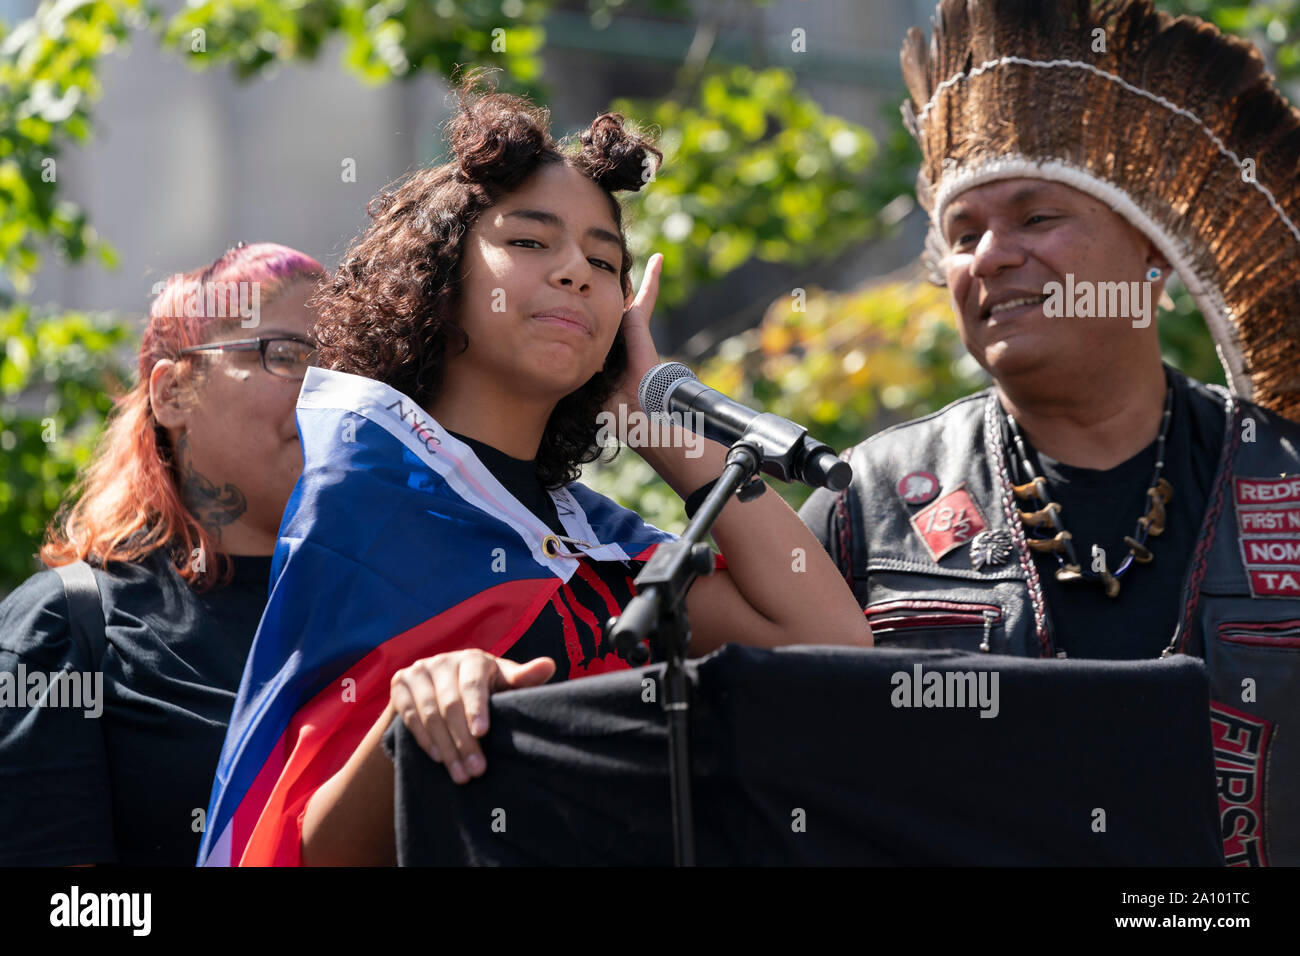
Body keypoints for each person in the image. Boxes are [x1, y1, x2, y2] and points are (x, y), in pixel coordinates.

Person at [198, 79, 871, 867]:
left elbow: (828, 649)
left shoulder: (598, 545)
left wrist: (644, 408)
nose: (576, 273)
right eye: (529, 241)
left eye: (604, 261)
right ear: (439, 277)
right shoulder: (365, 493)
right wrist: (405, 724)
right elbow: (300, 847)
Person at [800, 0, 1300, 867]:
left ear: (1153, 251)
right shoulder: (867, 499)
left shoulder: (1285, 480)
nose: (990, 255)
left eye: (1035, 219)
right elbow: (689, 692)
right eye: (963, 233)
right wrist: (486, 680)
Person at [0, 242, 325, 866]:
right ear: (174, 393)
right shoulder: (63, 629)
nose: (323, 390)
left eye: (343, 368)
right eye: (285, 354)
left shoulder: (394, 607)